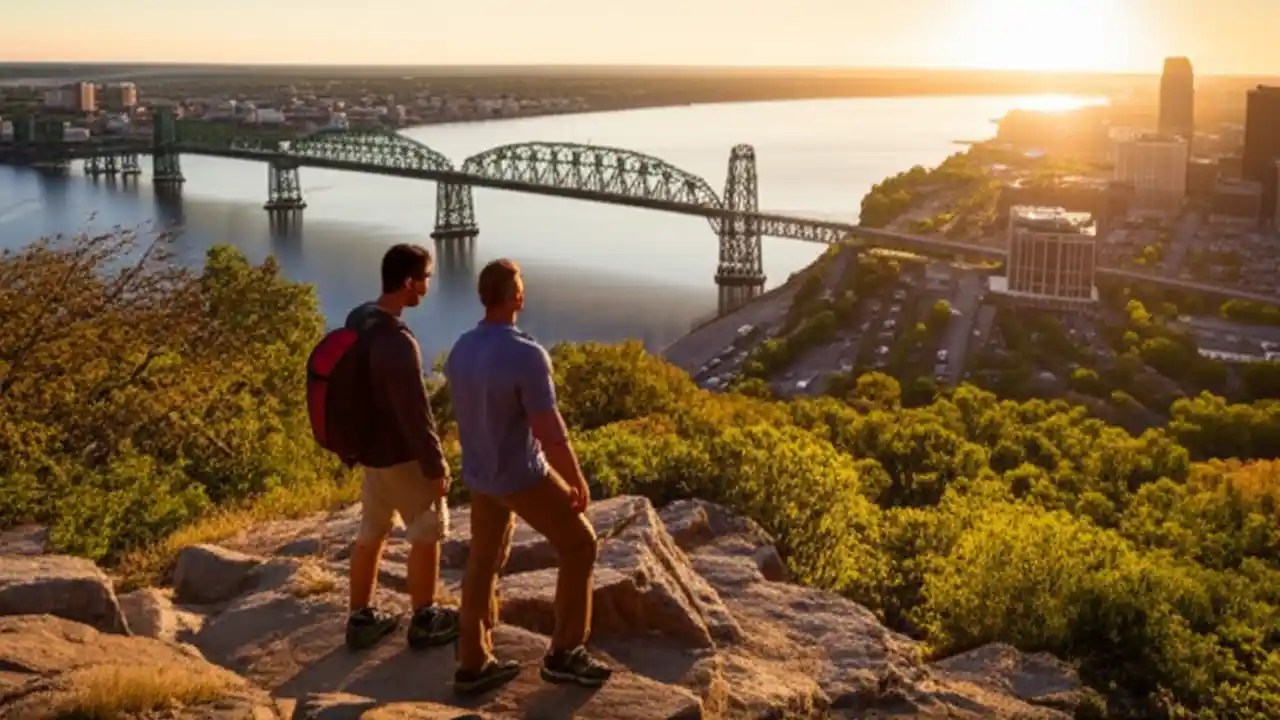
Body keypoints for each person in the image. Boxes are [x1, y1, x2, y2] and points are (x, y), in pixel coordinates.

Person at [444, 259, 612, 695]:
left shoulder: (461, 349)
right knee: (580, 544)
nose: (523, 291)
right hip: (522, 476)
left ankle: (472, 662)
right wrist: (576, 478)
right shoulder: (527, 354)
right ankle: (564, 653)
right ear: (515, 296)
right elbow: (549, 431)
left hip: (481, 477)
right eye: (520, 286)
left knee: (482, 563)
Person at [342, 243, 459, 652]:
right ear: (409, 282)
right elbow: (416, 412)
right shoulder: (398, 342)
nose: (427, 286)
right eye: (425, 278)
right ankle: (426, 618)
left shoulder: (360, 318)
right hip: (403, 457)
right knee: (428, 533)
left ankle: (360, 619)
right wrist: (436, 465)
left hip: (372, 454)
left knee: (371, 532)